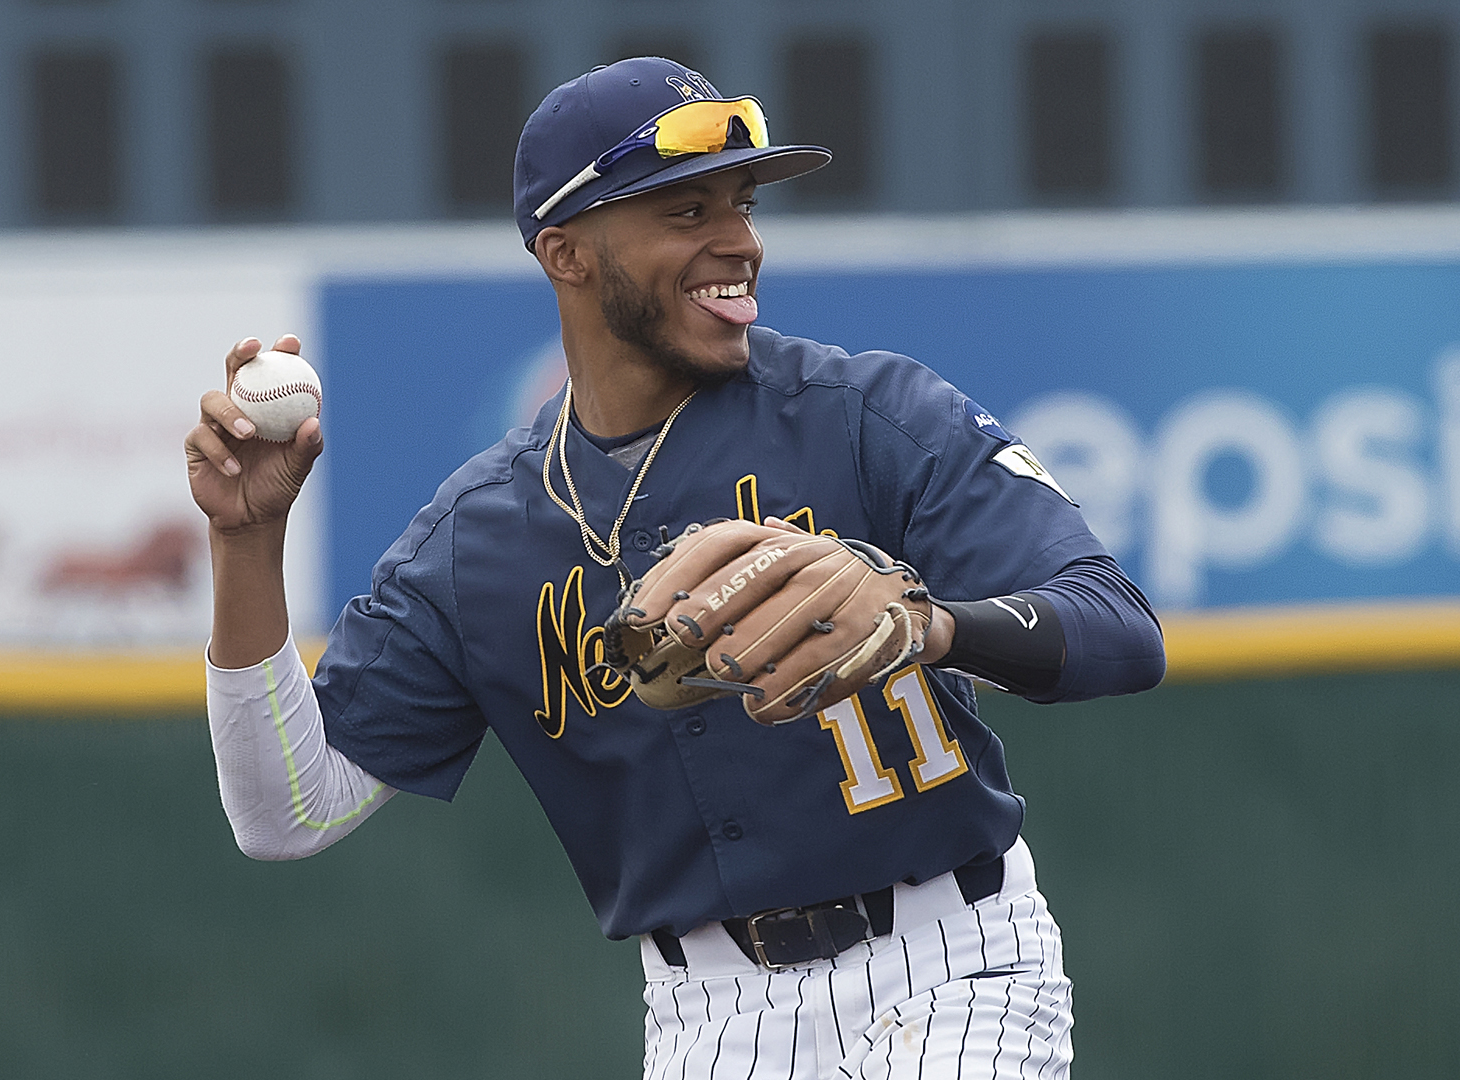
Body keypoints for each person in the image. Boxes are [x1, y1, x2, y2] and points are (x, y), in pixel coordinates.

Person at [187, 57, 1165, 1079]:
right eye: (686, 211)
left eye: (741, 205)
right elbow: (286, 811)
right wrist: (245, 545)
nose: (738, 242)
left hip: (951, 971)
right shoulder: (476, 541)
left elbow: (1119, 629)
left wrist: (933, 627)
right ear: (566, 253)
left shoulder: (866, 415)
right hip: (706, 1022)